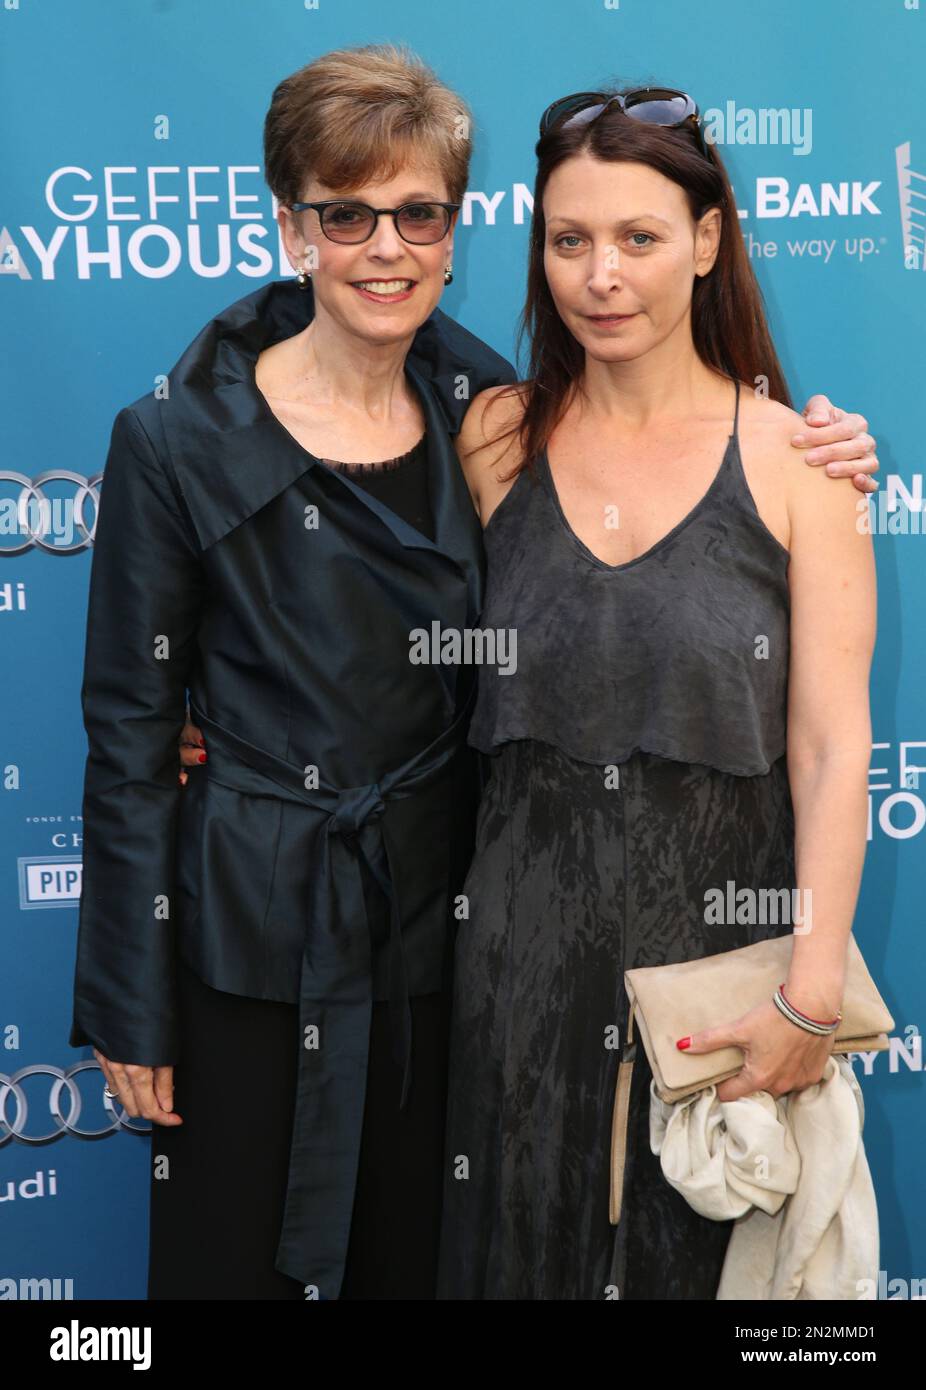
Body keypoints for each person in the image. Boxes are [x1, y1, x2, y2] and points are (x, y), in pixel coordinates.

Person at [82, 48, 876, 1303]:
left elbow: (824, 738)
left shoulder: (518, 419)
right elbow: (142, 727)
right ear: (292, 225)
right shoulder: (336, 436)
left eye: (417, 213)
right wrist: (142, 973)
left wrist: (809, 988)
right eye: (345, 214)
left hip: (540, 955)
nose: (384, 245)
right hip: (359, 946)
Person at [434, 86, 877, 1300]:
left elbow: (835, 747)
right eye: (568, 240)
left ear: (707, 240)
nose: (600, 275)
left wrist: (812, 993)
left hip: (717, 982)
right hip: (515, 968)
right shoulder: (495, 439)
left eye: (638, 237)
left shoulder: (801, 464)